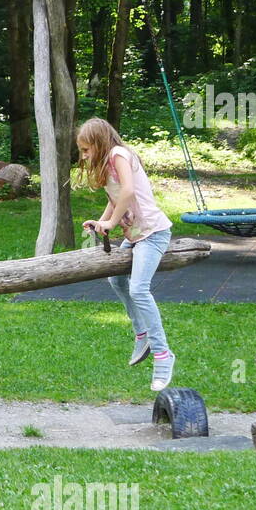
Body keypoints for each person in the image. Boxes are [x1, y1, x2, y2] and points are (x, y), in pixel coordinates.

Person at [76, 117, 176, 391]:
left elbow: (130, 191)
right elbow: (117, 198)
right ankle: (141, 333)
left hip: (153, 233)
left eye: (86, 150)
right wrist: (102, 221)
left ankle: (163, 354)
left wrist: (110, 223)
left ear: (99, 142)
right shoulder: (107, 165)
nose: (83, 156)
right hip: (135, 236)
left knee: (139, 289)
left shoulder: (119, 154)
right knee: (116, 280)